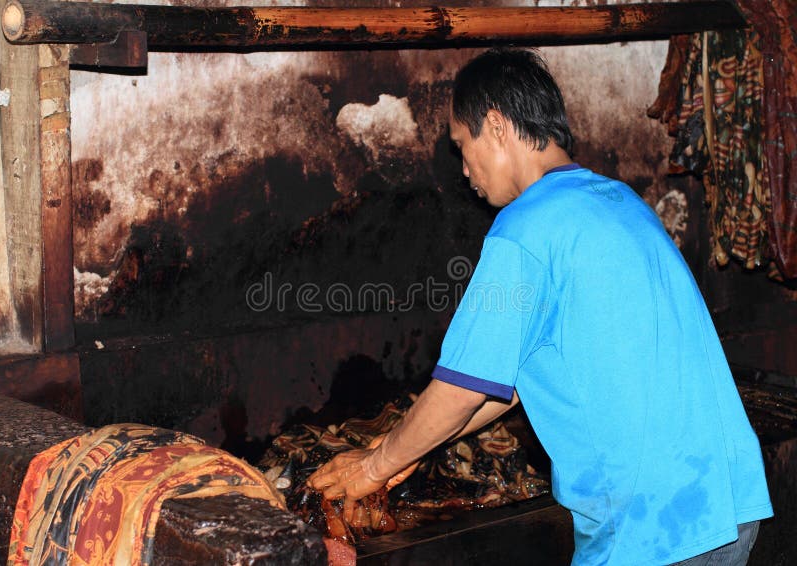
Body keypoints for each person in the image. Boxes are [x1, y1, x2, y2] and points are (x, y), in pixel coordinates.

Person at [308, 48, 773, 565]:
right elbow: (498, 385)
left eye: (462, 147)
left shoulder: (525, 229)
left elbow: (461, 388)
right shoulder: (619, 202)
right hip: (727, 504)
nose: (464, 171)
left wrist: (372, 469)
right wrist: (400, 454)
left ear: (497, 125)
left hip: (652, 526)